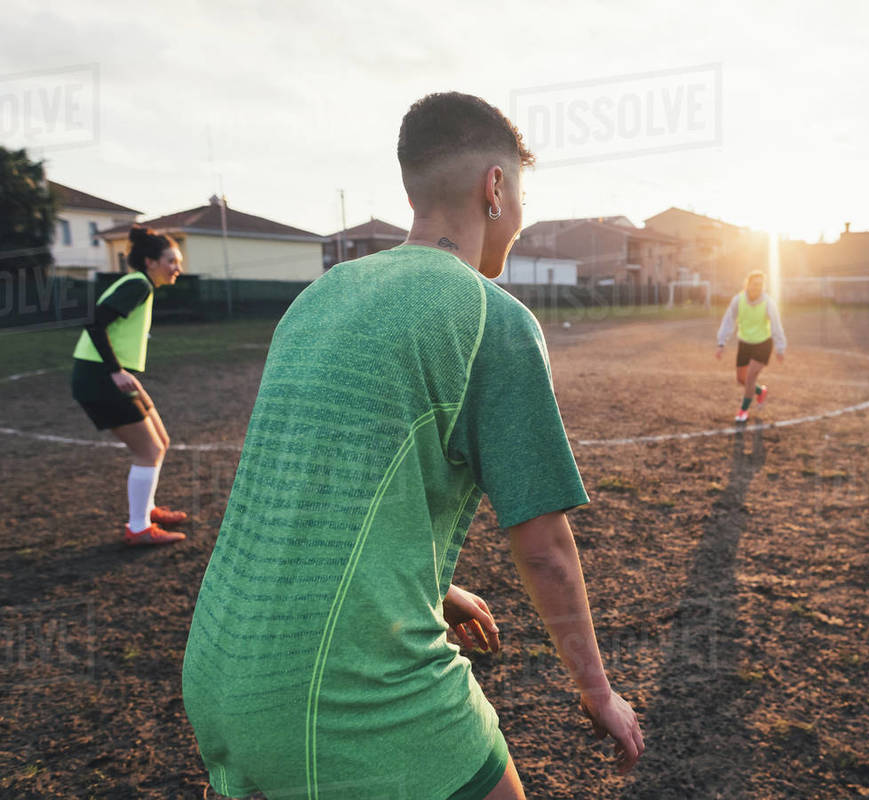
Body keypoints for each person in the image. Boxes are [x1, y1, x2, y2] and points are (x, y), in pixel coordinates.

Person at [181, 92, 643, 800]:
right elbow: (544, 549)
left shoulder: (317, 298)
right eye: (520, 195)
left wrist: (434, 585)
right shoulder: (492, 318)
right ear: (495, 188)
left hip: (218, 666)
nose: (519, 216)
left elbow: (315, 481)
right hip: (339, 694)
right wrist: (597, 691)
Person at [70, 225, 188, 546]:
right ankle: (138, 528)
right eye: (171, 261)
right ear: (150, 262)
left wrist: (120, 371)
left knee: (160, 441)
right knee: (148, 450)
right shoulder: (138, 284)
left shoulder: (139, 284)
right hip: (98, 377)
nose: (177, 268)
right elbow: (94, 321)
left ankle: (147, 511)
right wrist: (115, 370)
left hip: (108, 374)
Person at [715, 270, 787, 423]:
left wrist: (780, 347)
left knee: (750, 377)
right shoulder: (738, 300)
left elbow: (776, 325)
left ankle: (743, 410)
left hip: (763, 344)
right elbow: (728, 320)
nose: (757, 287)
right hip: (745, 343)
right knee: (741, 379)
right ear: (747, 285)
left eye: (760, 285)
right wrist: (721, 343)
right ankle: (760, 392)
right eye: (755, 284)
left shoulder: (768, 302)